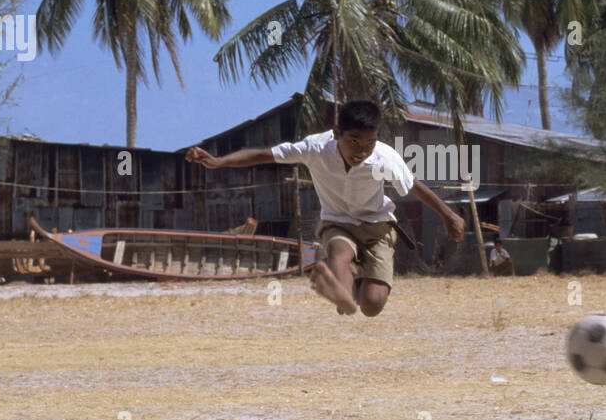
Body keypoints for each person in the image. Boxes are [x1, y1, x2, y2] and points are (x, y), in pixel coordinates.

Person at [185, 100, 465, 316]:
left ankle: (353, 284)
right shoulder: (315, 148)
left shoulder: (384, 157)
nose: (361, 150)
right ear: (336, 133)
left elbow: (414, 186)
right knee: (340, 251)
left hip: (378, 229)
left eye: (369, 143)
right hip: (338, 223)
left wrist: (449, 215)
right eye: (353, 141)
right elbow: (264, 155)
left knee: (372, 306)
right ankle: (341, 288)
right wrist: (219, 161)